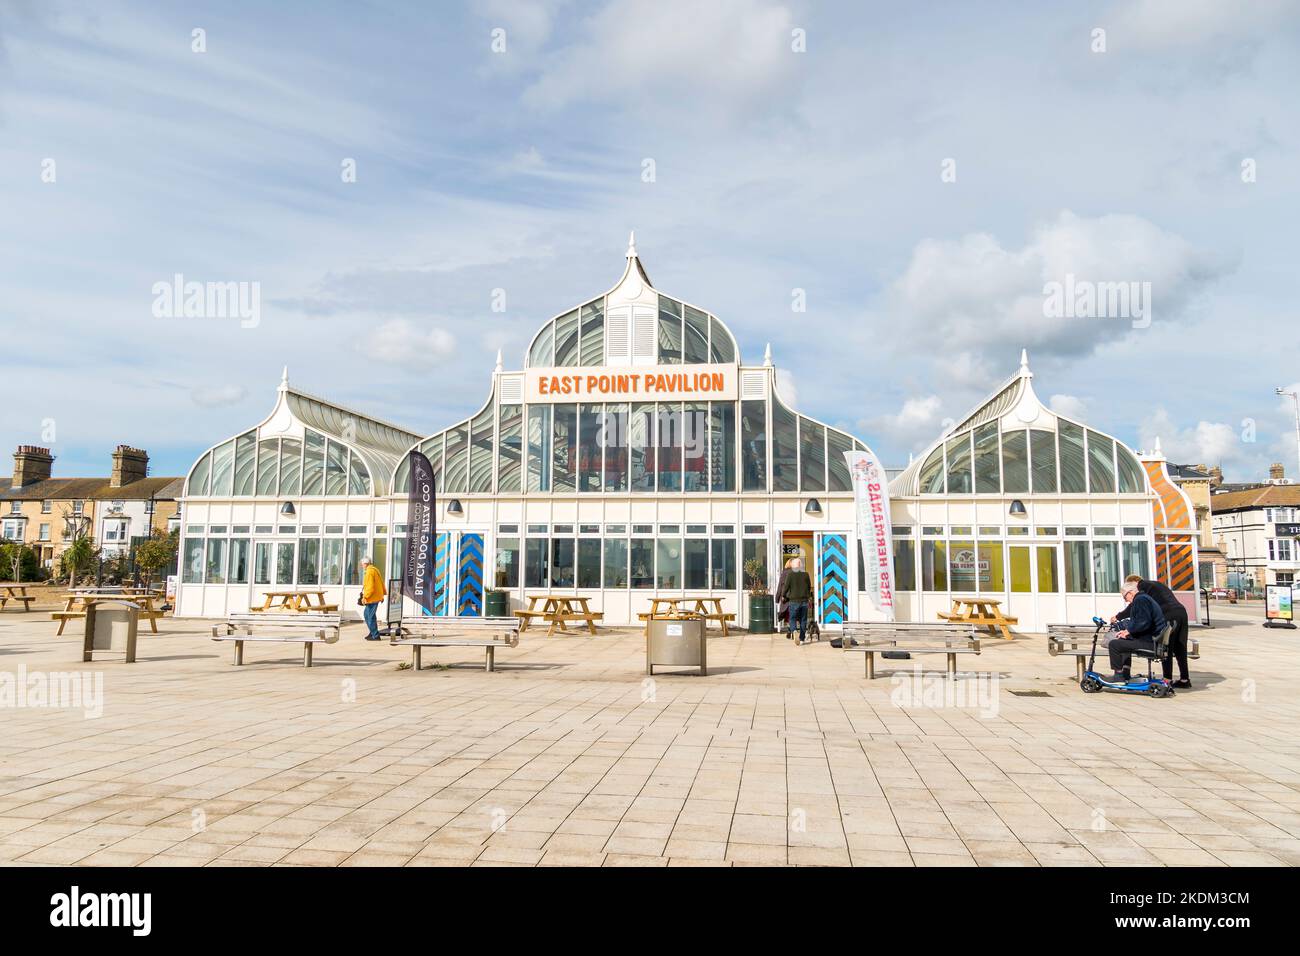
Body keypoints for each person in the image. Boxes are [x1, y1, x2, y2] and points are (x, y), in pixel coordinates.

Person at [1123, 573, 1191, 688]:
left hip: (1169, 613)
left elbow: (1134, 605)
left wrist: (1118, 616)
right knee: (1180, 646)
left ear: (1134, 583)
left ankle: (1167, 679)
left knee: (1165, 646)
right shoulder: (1156, 584)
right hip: (1181, 612)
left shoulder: (1141, 587)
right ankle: (1185, 679)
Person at [1107, 580, 1166, 681]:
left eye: (1124, 597)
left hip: (1150, 642)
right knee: (1123, 641)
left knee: (1114, 645)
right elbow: (1142, 621)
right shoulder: (1144, 598)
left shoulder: (1141, 600)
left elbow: (1143, 622)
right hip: (1154, 640)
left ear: (1130, 593)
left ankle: (1118, 676)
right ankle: (1125, 673)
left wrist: (1128, 631)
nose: (1125, 600)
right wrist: (1127, 632)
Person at [784, 557, 813, 645]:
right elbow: (809, 586)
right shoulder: (806, 574)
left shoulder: (790, 574)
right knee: (803, 620)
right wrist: (808, 596)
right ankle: (802, 639)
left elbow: (786, 587)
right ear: (800, 565)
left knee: (792, 618)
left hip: (793, 600)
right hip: (804, 601)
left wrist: (783, 596)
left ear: (793, 565)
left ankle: (794, 630)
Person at [360, 557, 386, 641]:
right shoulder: (374, 570)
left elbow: (370, 587)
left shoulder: (369, 572)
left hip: (372, 598)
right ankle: (372, 632)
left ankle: (375, 635)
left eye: (362, 564)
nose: (361, 565)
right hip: (376, 596)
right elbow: (380, 582)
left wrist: (365, 597)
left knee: (369, 616)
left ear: (365, 564)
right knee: (368, 615)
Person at [775, 558, 794, 637]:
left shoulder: (784, 573)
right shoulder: (795, 572)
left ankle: (790, 630)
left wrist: (777, 598)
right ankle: (792, 630)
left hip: (785, 597)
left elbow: (780, 586)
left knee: (787, 615)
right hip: (794, 596)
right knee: (792, 615)